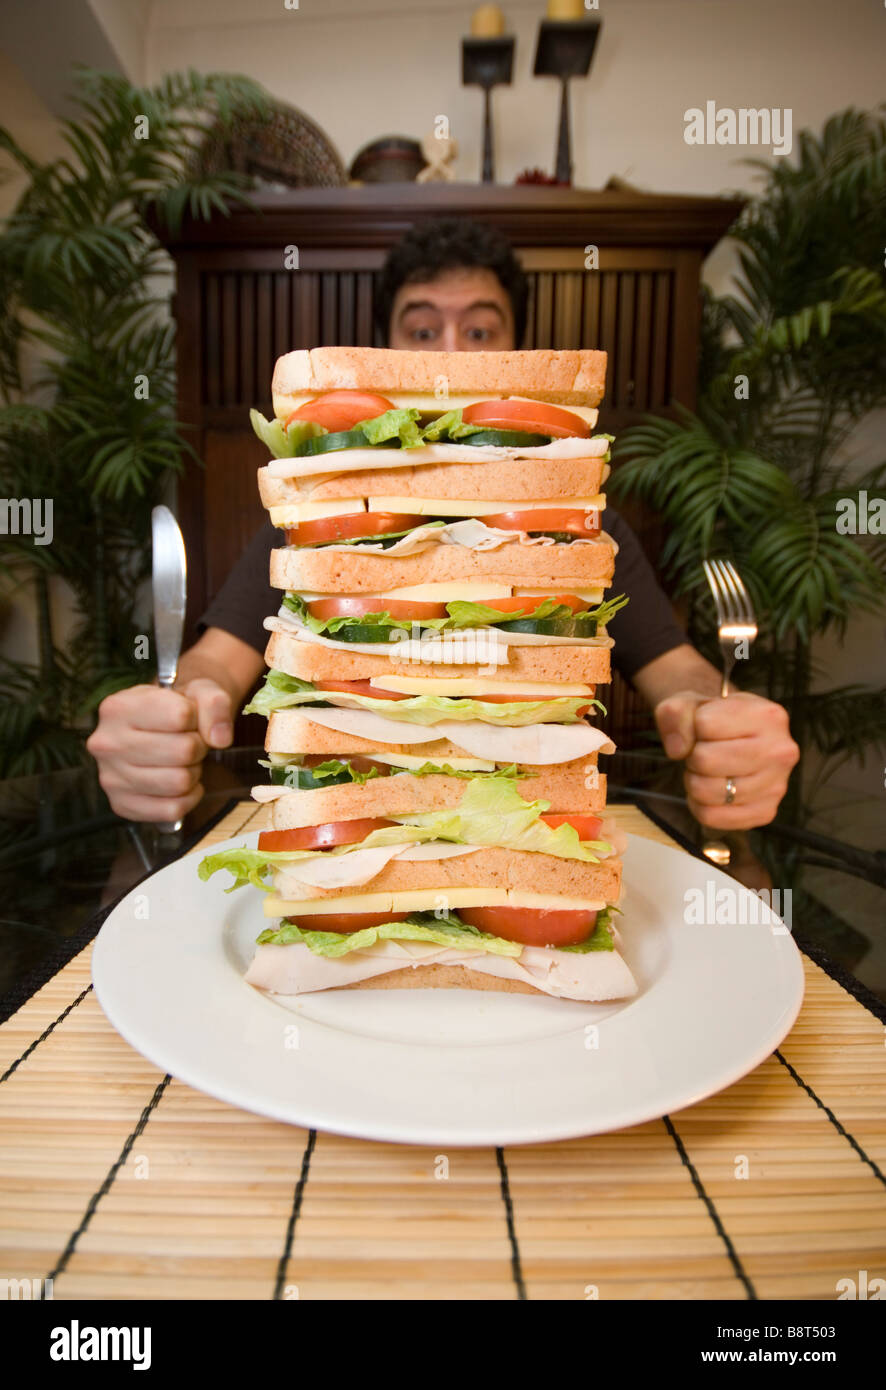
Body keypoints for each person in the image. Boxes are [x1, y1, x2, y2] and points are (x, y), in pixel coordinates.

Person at [87, 219, 798, 829]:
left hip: (523, 807)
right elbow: (218, 662)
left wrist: (717, 723)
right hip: (363, 805)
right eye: (422, 329)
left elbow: (677, 675)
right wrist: (176, 711)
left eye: (480, 329)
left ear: (520, 353)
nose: (451, 356)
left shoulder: (579, 519)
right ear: (388, 351)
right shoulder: (322, 514)